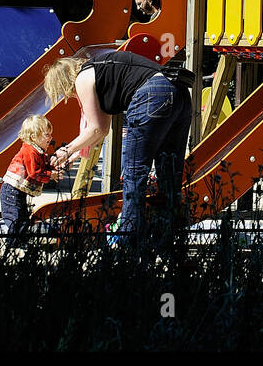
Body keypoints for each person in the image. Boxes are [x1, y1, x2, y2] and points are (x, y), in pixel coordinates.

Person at [44, 50, 193, 238]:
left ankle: (128, 236)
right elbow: (103, 128)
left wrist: (65, 151)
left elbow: (96, 128)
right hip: (179, 91)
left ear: (64, 82)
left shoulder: (83, 78)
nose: (70, 96)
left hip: (152, 94)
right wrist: (74, 153)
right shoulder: (102, 68)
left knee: (134, 171)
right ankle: (169, 234)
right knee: (170, 170)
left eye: (64, 92)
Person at [1, 114, 63, 248]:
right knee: (16, 217)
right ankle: (13, 242)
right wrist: (50, 175)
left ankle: (19, 240)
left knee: (23, 217)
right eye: (47, 135)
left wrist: (52, 168)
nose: (51, 138)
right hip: (11, 190)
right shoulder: (29, 152)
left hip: (17, 191)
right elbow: (34, 172)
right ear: (34, 137)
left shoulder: (37, 151)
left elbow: (42, 167)